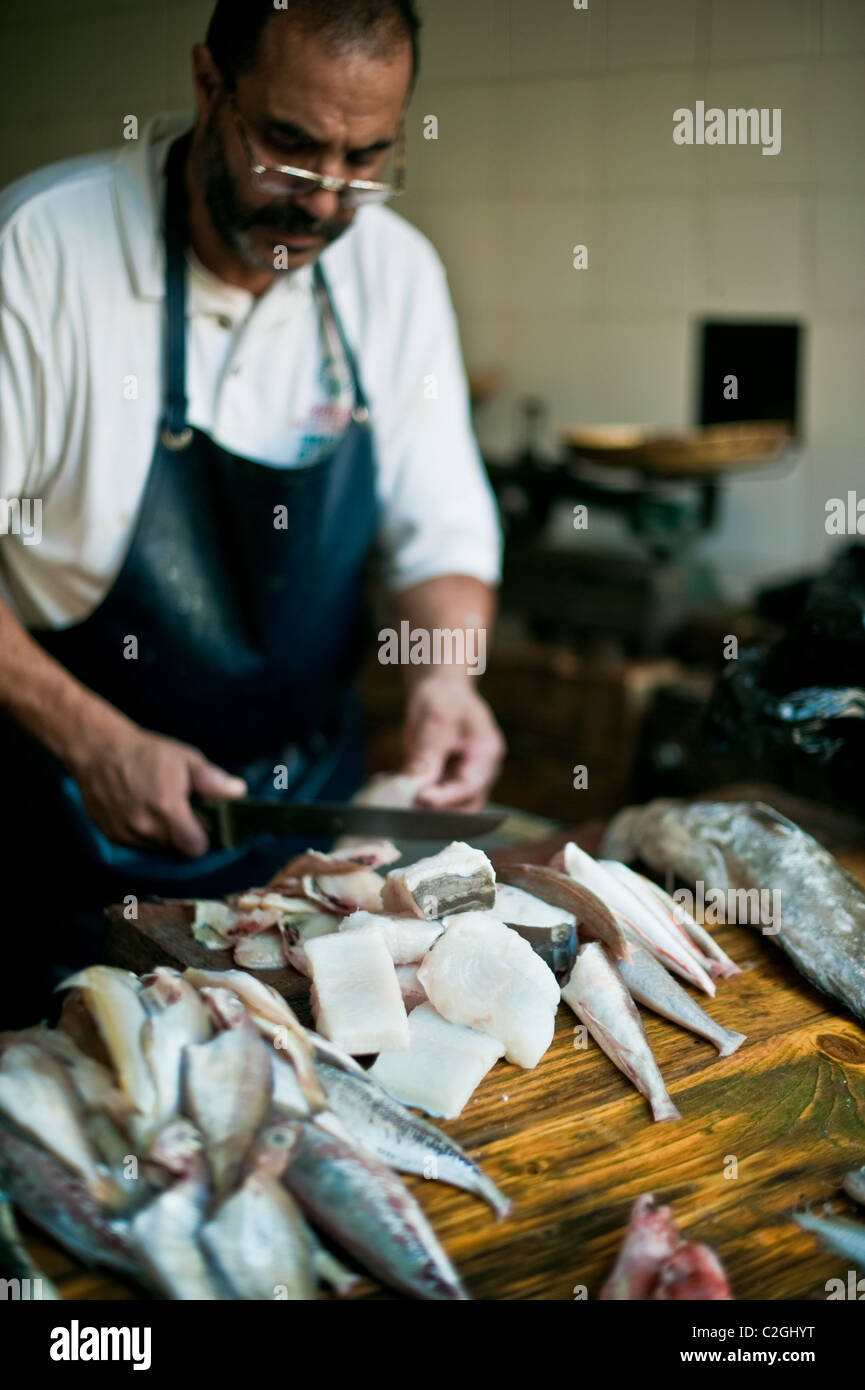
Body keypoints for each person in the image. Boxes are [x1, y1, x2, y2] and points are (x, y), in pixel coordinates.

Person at [0, 0, 504, 1016]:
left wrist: (445, 679)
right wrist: (96, 741)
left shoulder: (393, 271)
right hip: (59, 820)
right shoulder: (40, 250)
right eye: (289, 146)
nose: (322, 203)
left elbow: (440, 530)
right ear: (207, 86)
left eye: (365, 160)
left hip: (305, 835)